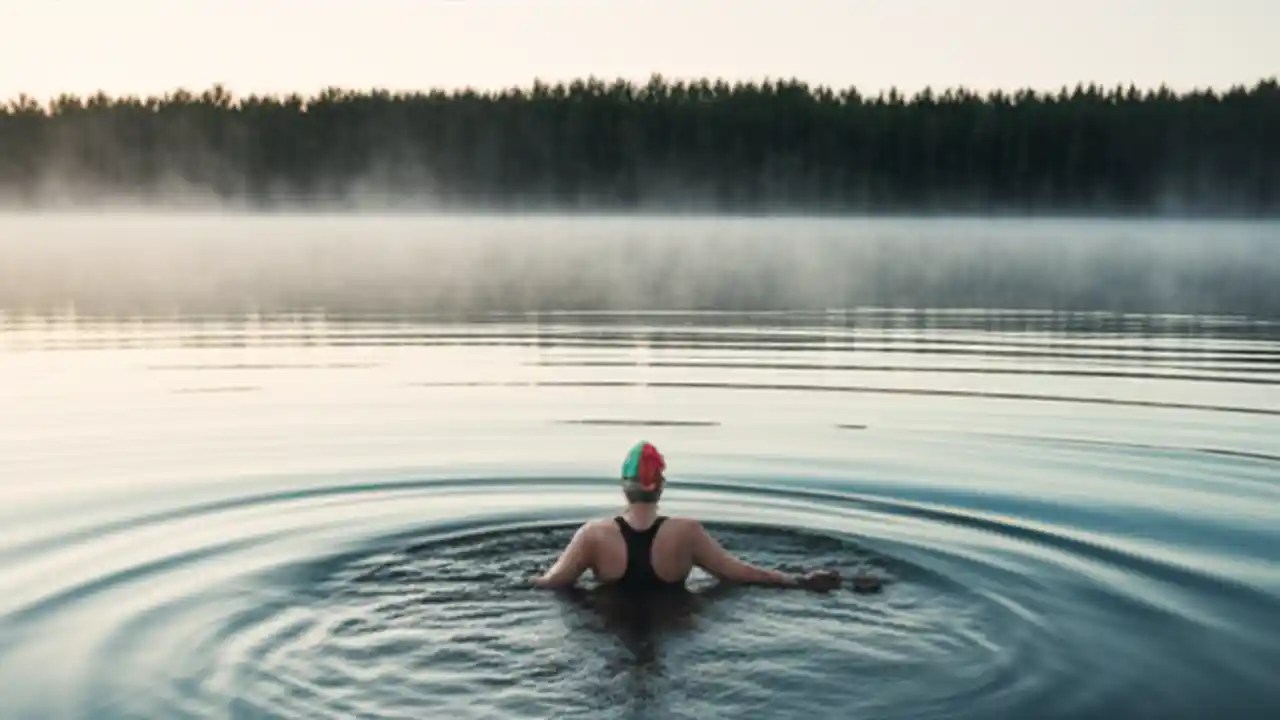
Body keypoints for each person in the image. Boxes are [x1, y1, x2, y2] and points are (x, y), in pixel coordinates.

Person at [533, 441, 844, 592]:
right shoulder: (687, 533)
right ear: (661, 487)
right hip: (673, 629)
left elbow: (550, 585)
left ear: (623, 488)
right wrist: (800, 580)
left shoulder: (593, 536)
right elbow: (742, 574)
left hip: (608, 631)